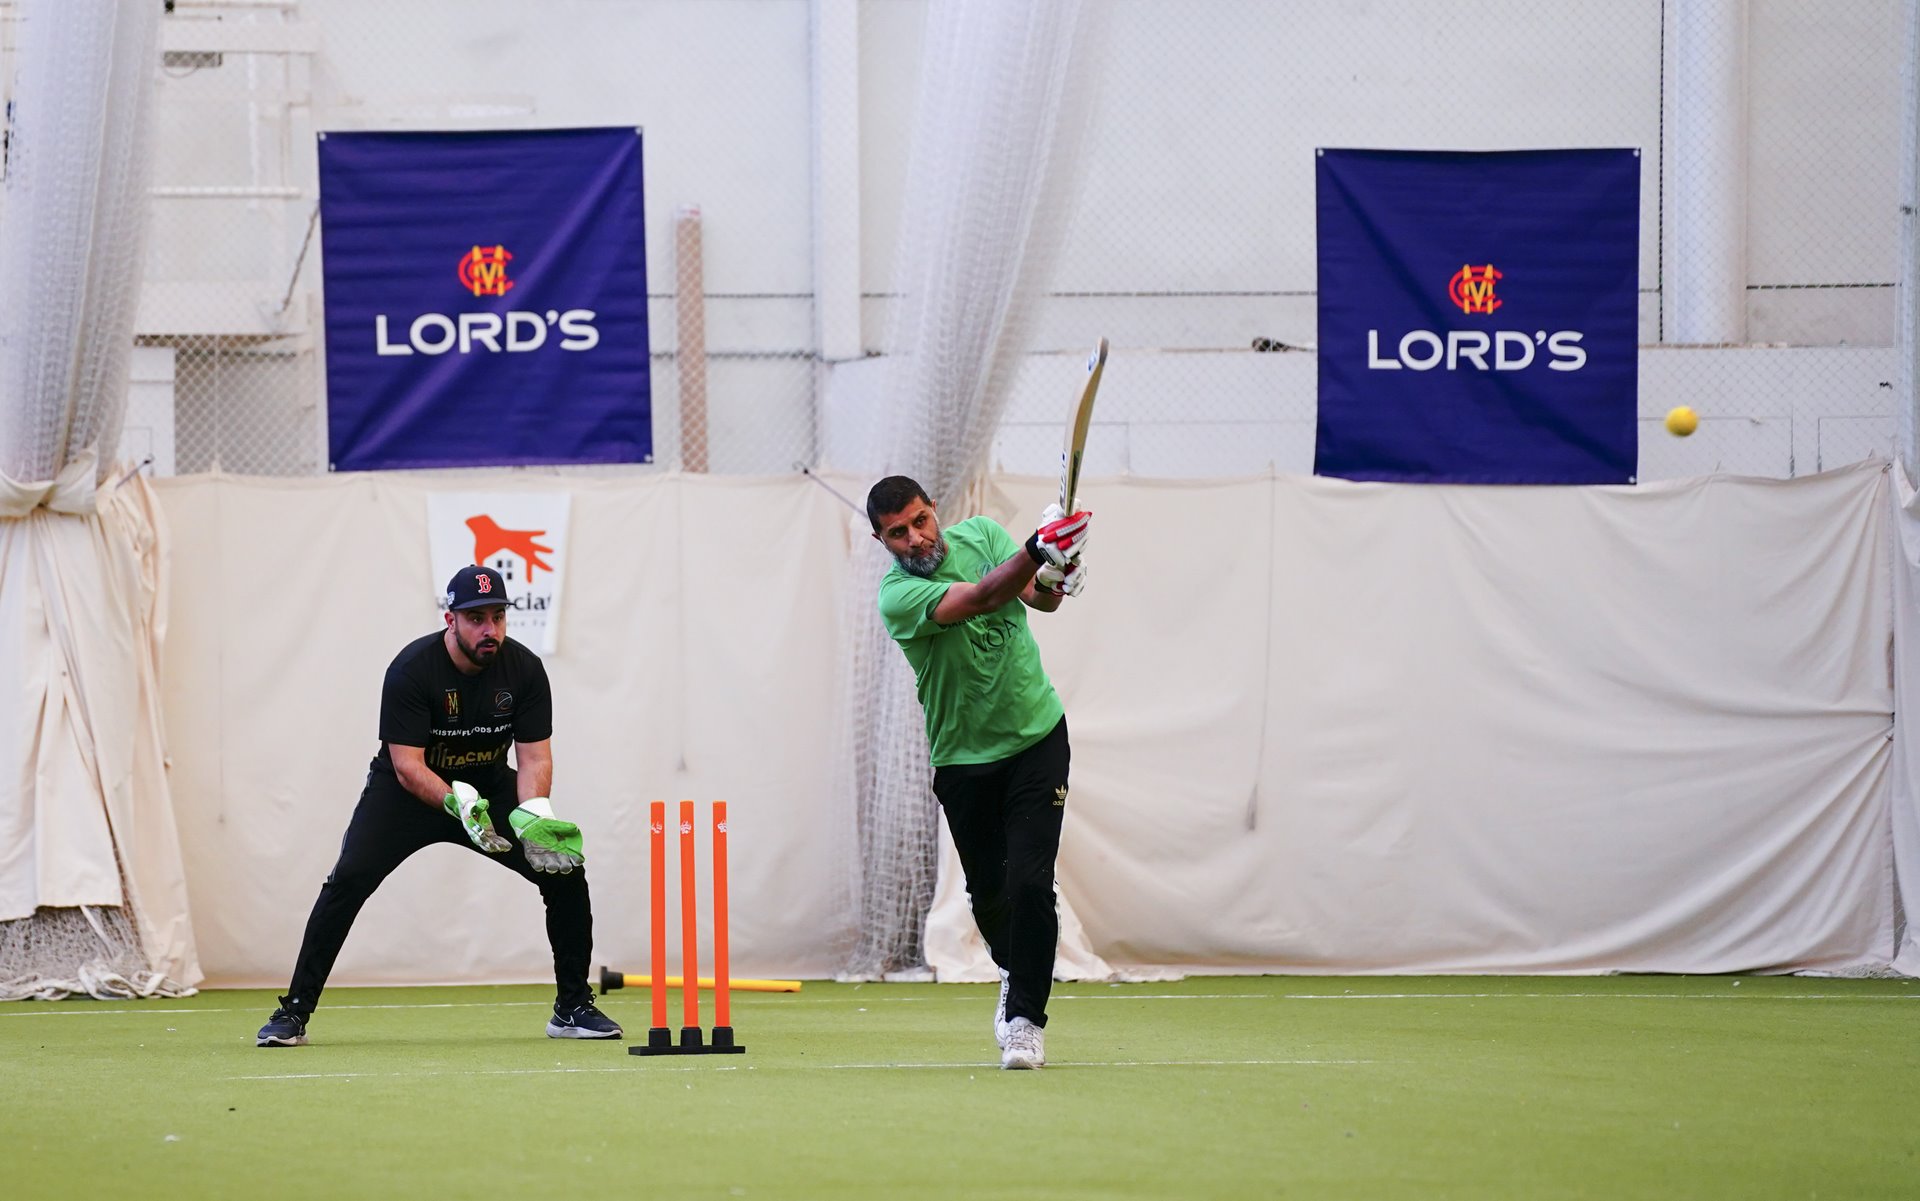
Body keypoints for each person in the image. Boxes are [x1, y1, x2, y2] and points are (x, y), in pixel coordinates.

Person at [254, 564, 619, 1046]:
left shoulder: (525, 669)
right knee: (347, 882)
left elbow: (534, 758)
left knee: (565, 872)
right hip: (409, 793)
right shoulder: (412, 669)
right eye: (476, 619)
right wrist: (454, 804)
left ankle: (571, 1008)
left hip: (488, 788)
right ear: (451, 620)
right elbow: (407, 765)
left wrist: (533, 816)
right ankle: (293, 1014)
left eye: (497, 616)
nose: (490, 630)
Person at [867, 475, 1090, 1070]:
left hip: (1037, 738)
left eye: (919, 521)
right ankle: (1017, 971)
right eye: (897, 533)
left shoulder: (985, 535)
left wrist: (1055, 575)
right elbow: (985, 597)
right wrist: (1037, 549)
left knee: (1029, 884)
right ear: (881, 541)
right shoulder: (897, 597)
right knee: (990, 898)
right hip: (964, 760)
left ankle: (1024, 1021)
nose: (915, 539)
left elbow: (1033, 601)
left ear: (934, 511)